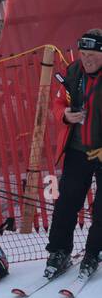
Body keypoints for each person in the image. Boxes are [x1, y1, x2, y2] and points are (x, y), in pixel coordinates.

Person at [43, 30, 102, 280]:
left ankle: (93, 253)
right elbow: (59, 103)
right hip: (78, 149)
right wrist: (65, 115)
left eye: (93, 55)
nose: (87, 59)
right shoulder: (74, 72)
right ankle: (59, 251)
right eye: (83, 54)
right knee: (66, 202)